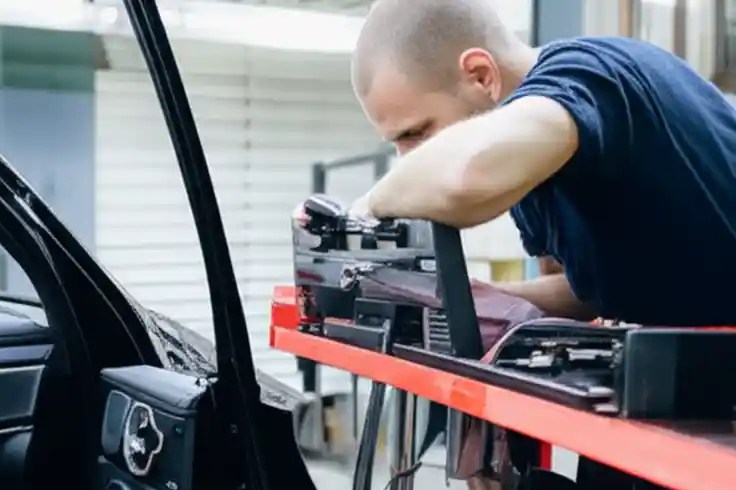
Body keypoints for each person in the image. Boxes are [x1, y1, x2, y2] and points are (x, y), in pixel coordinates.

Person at [294, 0, 736, 327]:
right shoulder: (535, 161)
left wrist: (366, 209)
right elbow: (590, 293)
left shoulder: (586, 76)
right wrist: (474, 299)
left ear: (482, 76)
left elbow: (461, 180)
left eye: (415, 133)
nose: (409, 157)